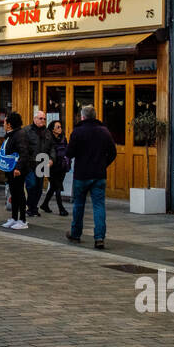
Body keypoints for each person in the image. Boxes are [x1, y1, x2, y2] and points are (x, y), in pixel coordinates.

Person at [65, 104, 117, 249]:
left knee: (78, 204)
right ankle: (99, 237)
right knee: (99, 206)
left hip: (81, 174)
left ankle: (75, 234)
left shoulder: (77, 132)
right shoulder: (104, 131)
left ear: (82, 116)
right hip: (99, 174)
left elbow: (69, 153)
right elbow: (113, 152)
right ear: (94, 116)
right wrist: (103, 164)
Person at [0, 111, 32, 231]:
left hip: (18, 170)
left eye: (5, 121)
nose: (3, 123)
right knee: (14, 193)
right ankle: (14, 217)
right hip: (11, 168)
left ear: (9, 124)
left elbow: (24, 153)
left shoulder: (20, 135)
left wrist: (18, 168)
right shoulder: (11, 134)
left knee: (19, 194)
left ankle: (22, 220)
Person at [24, 108, 56, 216]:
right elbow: (22, 148)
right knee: (31, 185)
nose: (42, 120)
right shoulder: (27, 131)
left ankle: (33, 208)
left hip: (43, 163)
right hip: (30, 164)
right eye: (40, 118)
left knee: (39, 188)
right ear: (34, 119)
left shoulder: (47, 132)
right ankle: (30, 206)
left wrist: (52, 159)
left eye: (44, 119)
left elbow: (52, 147)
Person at [41, 119, 69, 216]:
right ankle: (61, 209)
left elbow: (67, 150)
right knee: (57, 187)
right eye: (58, 127)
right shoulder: (48, 139)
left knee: (54, 187)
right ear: (52, 129)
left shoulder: (63, 138)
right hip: (51, 167)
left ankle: (44, 204)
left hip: (61, 167)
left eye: (61, 127)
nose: (60, 129)